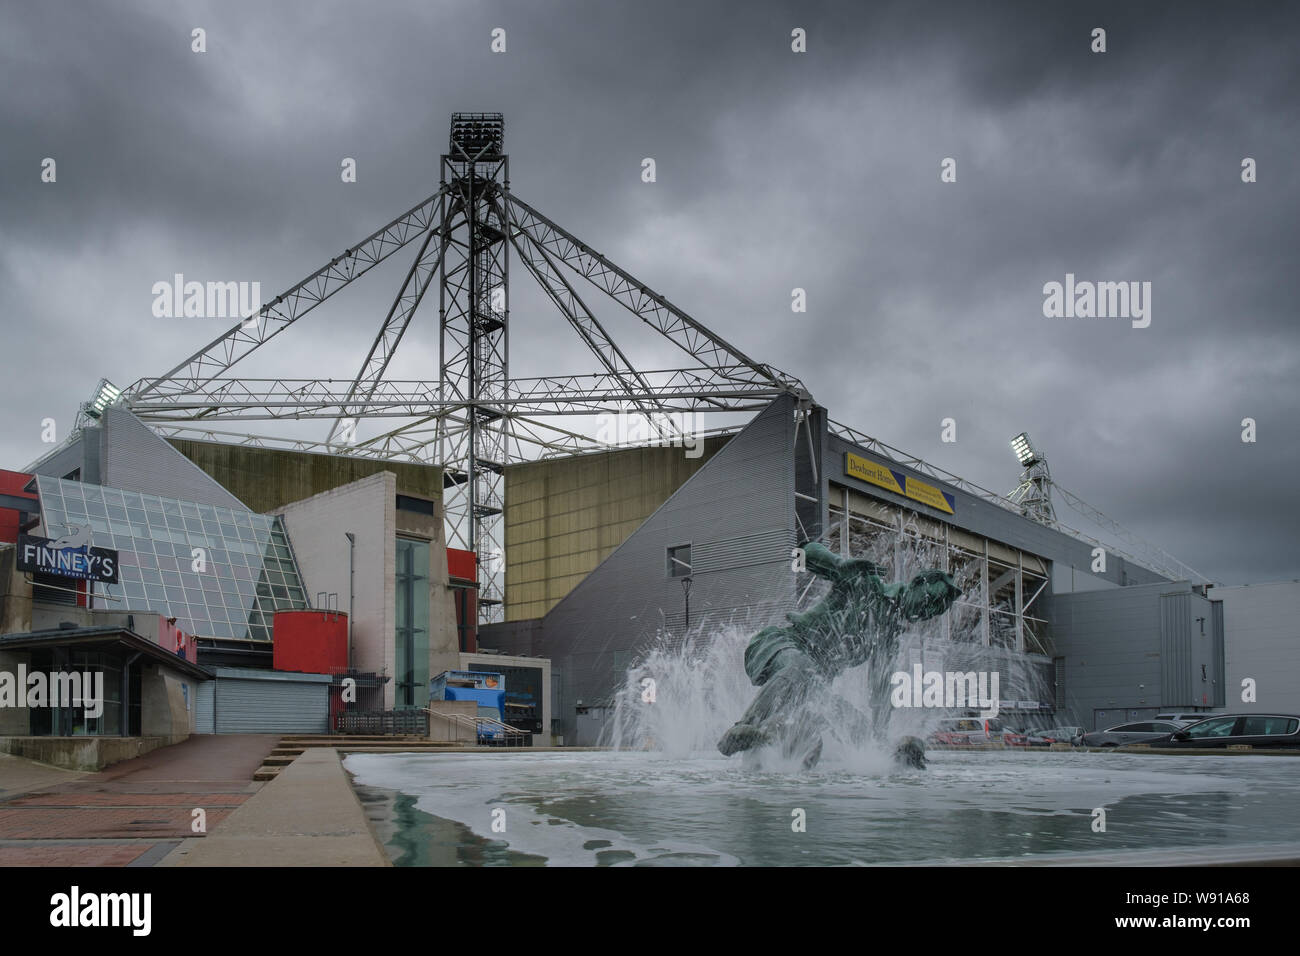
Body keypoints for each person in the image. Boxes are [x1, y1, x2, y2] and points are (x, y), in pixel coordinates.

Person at [717, 540, 961, 763]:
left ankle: (780, 742)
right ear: (917, 584)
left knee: (855, 724)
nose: (926, 611)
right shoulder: (866, 583)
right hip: (784, 645)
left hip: (814, 683)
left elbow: (881, 690)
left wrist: (878, 744)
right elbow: (803, 553)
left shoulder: (888, 634)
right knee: (802, 669)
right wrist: (840, 564)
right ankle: (743, 728)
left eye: (934, 611)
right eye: (929, 600)